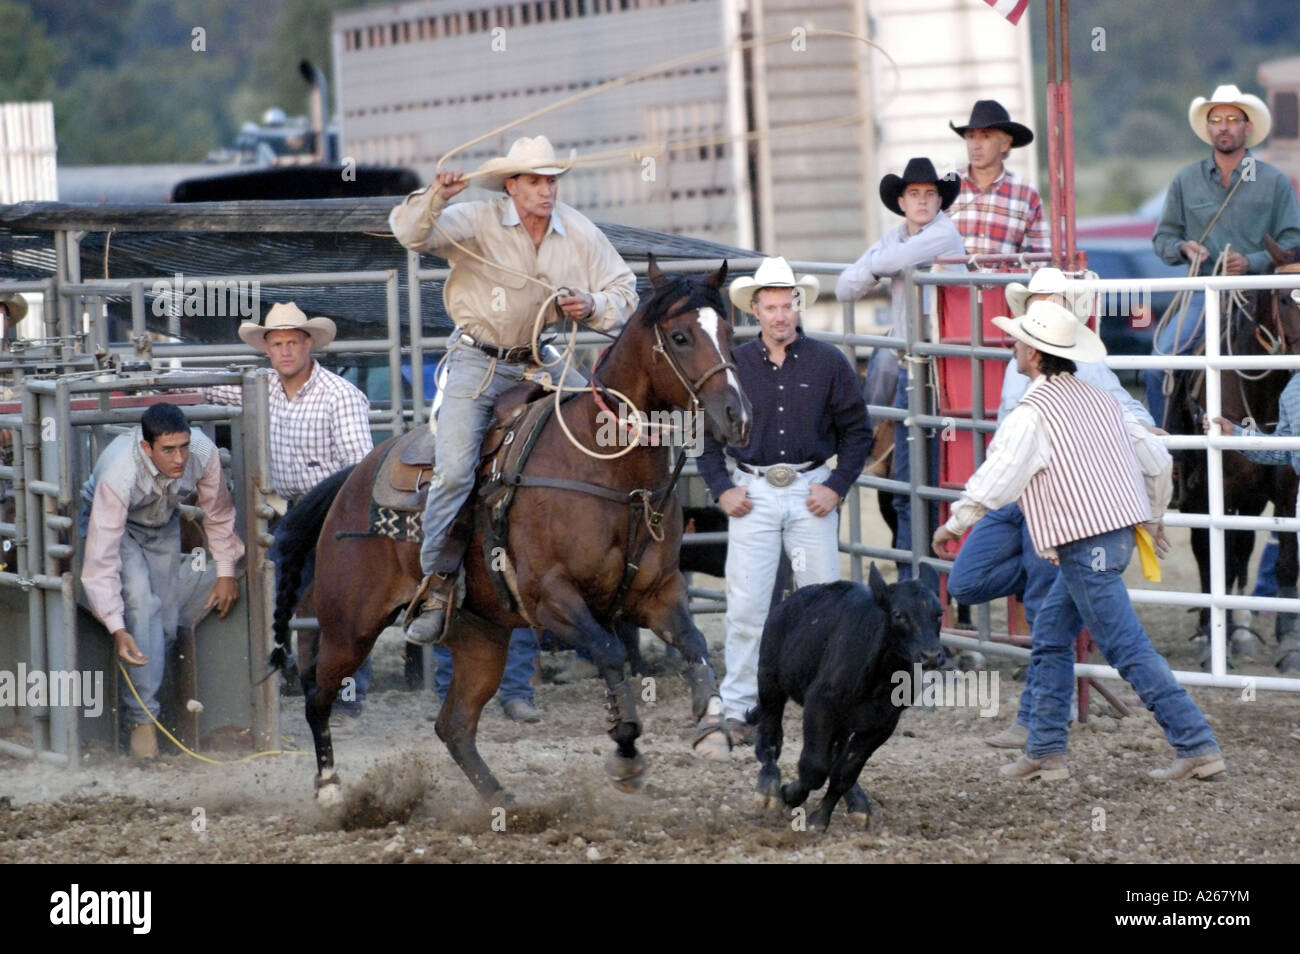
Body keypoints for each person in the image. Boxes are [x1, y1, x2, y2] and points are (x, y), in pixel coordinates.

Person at [932, 300, 1225, 782]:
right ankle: (1046, 749)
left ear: (1033, 352)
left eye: (1020, 341)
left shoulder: (1033, 412)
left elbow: (999, 474)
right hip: (1110, 535)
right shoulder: (1100, 398)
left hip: (1082, 542)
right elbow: (1154, 455)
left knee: (1126, 647)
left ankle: (1196, 743)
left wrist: (957, 522)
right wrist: (1152, 514)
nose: (1015, 346)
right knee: (1052, 635)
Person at [390, 135, 637, 644]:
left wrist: (591, 305)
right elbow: (410, 233)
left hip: (541, 360)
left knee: (609, 431)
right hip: (476, 362)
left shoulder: (579, 231)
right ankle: (436, 585)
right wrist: (436, 197)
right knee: (456, 470)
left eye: (551, 181)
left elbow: (624, 291)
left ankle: (607, 568)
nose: (547, 190)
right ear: (512, 186)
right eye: (535, 181)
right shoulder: (476, 220)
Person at [946, 268, 1156, 747]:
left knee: (1046, 618)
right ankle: (1059, 580)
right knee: (968, 580)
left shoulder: (1084, 367)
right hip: (1019, 498)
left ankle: (1039, 721)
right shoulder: (1019, 359)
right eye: (1035, 300)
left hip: (1053, 500)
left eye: (1049, 300)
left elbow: (1124, 408)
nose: (1039, 308)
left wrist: (1145, 427)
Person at [700, 257, 872, 743]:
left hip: (809, 489)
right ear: (754, 311)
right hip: (751, 491)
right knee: (747, 604)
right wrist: (722, 487)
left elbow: (857, 433)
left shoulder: (828, 362)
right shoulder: (733, 364)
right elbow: (706, 437)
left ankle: (828, 701)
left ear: (798, 306)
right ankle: (739, 706)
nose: (780, 315)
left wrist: (836, 487)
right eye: (770, 306)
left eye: (787, 305)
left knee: (822, 603)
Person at [204, 301, 375, 732]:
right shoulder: (261, 386)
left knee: (342, 605)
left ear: (308, 345)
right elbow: (210, 389)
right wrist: (151, 385)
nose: (284, 351)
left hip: (336, 510)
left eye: (292, 343)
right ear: (267, 349)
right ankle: (292, 685)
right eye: (276, 343)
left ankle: (347, 702)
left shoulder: (340, 396)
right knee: (277, 593)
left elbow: (359, 470)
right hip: (290, 509)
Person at [80, 402, 244, 759]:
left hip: (162, 522)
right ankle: (141, 723)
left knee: (166, 623)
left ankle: (154, 714)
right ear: (146, 448)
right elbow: (101, 555)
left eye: (183, 446)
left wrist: (227, 572)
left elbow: (217, 512)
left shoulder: (204, 453)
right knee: (141, 604)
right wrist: (115, 624)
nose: (180, 457)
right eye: (168, 449)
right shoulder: (119, 474)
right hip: (115, 525)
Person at [836, 158, 965, 578]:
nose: (923, 201)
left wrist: (876, 265)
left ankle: (921, 582)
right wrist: (878, 264)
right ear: (901, 200)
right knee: (911, 488)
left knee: (922, 487)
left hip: (943, 369)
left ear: (939, 200)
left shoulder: (943, 233)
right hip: (914, 363)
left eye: (930, 194)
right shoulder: (896, 239)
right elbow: (843, 288)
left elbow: (878, 269)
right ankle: (915, 580)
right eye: (915, 194)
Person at [1149, 84, 1300, 426]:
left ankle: (1292, 451)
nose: (1224, 126)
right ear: (1208, 128)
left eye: (1233, 118)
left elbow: (1293, 239)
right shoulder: (1186, 180)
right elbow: (1163, 238)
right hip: (1205, 296)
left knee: (1294, 364)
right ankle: (1169, 457)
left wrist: (1253, 261)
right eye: (1216, 119)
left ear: (1247, 127)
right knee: (1157, 368)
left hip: (1263, 297)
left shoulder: (1274, 181)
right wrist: (1183, 248)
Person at [946, 100, 1049, 257]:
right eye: (971, 136)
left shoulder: (1026, 193)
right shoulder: (945, 184)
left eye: (985, 136)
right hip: (948, 281)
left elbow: (1040, 255)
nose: (975, 145)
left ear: (1005, 144)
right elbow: (917, 236)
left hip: (1004, 281)